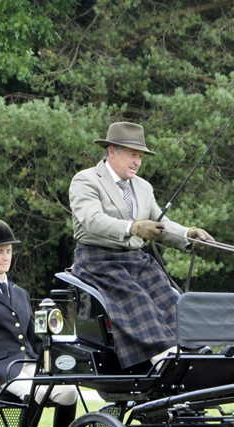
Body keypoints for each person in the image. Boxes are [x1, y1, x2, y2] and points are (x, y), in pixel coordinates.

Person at [69, 121, 213, 370]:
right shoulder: (86, 180)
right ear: (112, 150)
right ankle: (163, 357)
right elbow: (92, 220)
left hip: (134, 260)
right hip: (97, 260)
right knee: (139, 301)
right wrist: (133, 227)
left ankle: (193, 349)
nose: (137, 162)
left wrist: (188, 235)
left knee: (169, 297)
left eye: (140, 156)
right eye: (132, 155)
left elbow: (160, 223)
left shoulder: (143, 187)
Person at [0, 217, 77, 427]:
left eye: (8, 251)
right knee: (36, 392)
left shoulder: (20, 293)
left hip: (30, 364)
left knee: (69, 393)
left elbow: (34, 339)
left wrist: (57, 364)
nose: (5, 257)